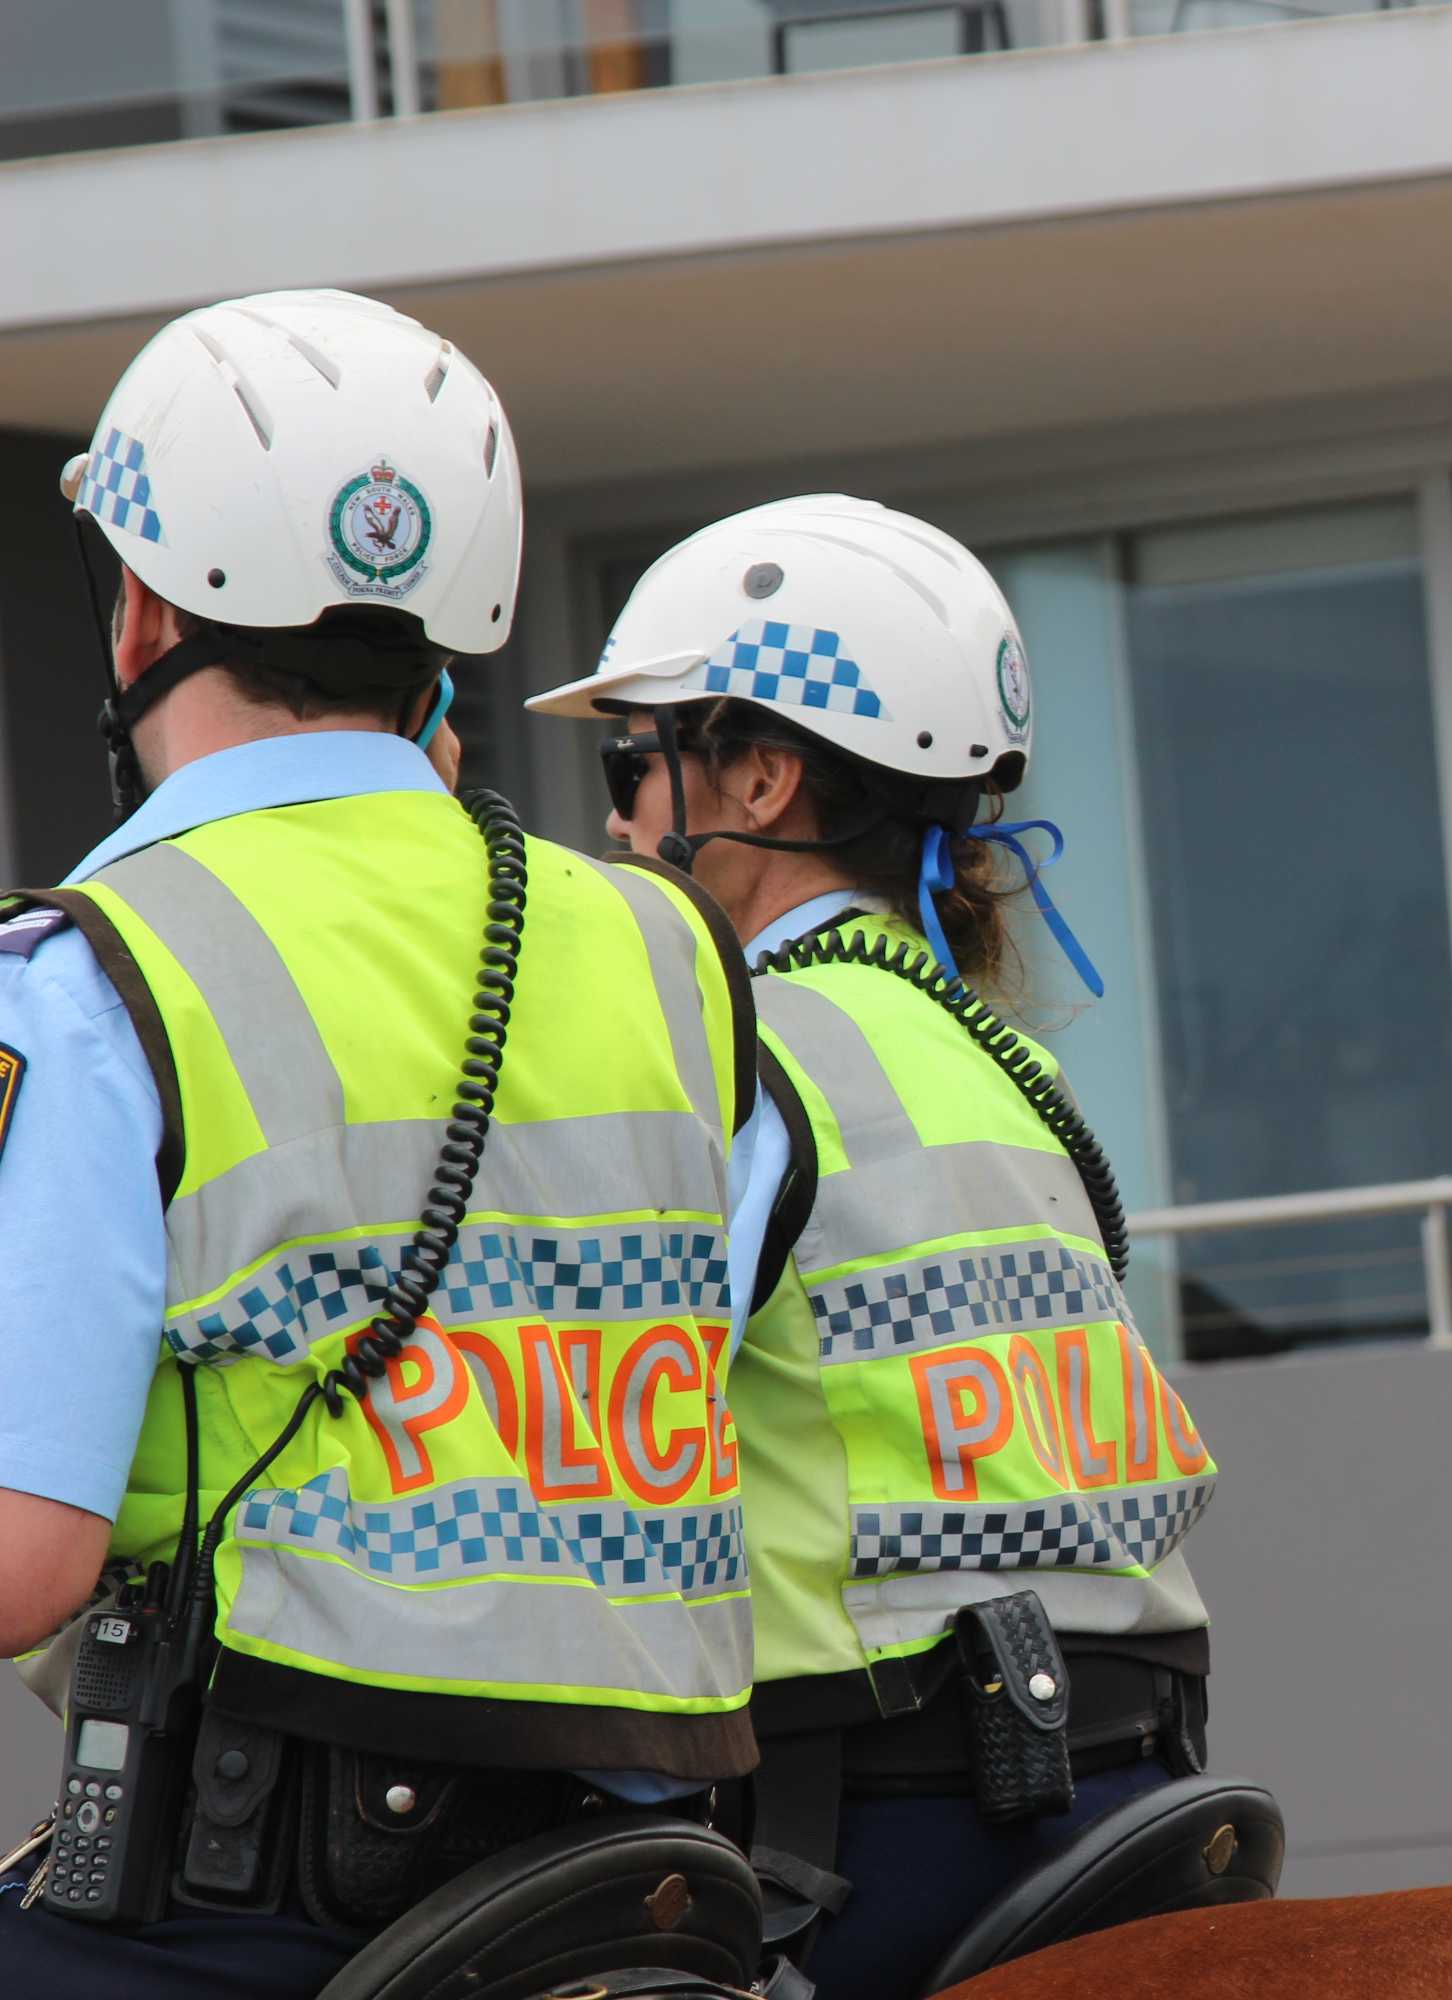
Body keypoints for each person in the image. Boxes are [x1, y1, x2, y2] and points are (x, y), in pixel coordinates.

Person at [0, 291, 771, 1996]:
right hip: (654, 1880)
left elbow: (25, 1558)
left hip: (263, 1898)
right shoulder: (667, 946)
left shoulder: (83, 978)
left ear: (135, 610)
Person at [529, 495, 1228, 1998]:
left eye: (632, 763)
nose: (613, 818)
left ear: (764, 778)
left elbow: (599, 1455)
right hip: (1128, 1788)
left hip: (869, 1835)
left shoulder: (728, 1053)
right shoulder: (1007, 1063)